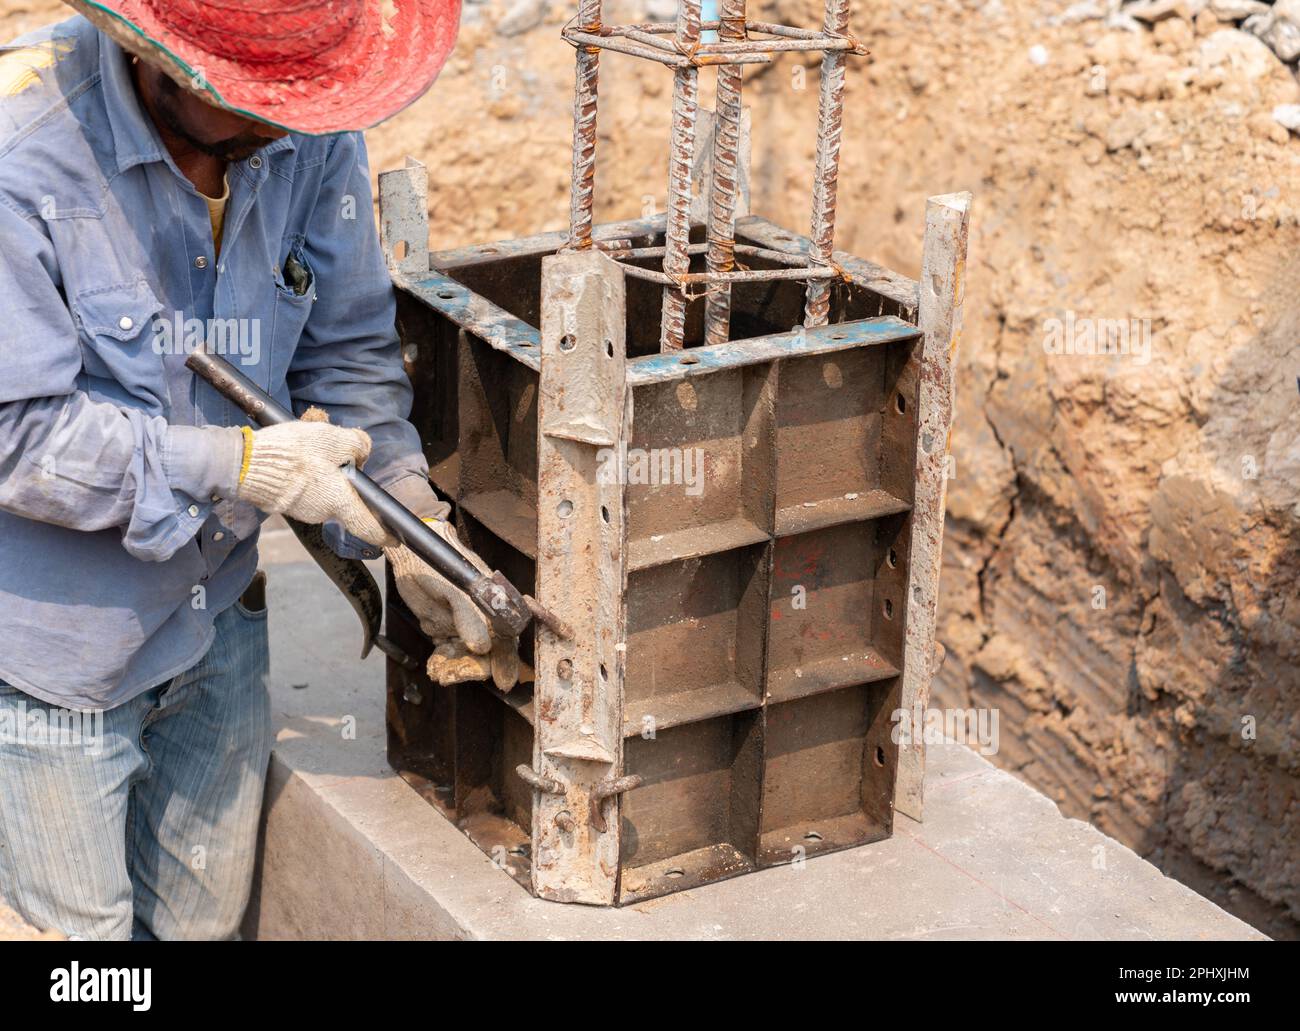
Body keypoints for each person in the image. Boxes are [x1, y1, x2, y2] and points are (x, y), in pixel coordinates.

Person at [0, 0, 512, 940]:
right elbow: (18, 436)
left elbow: (348, 350)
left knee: (195, 933)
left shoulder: (307, 120)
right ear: (163, 63)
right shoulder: (22, 154)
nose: (287, 130)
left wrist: (404, 520)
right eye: (259, 108)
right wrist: (240, 464)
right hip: (56, 662)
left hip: (216, 619)